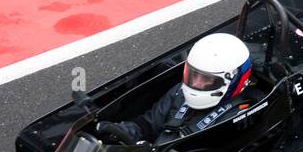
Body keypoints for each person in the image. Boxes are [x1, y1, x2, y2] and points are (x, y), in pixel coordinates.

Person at [99, 33, 252, 143]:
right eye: (193, 75)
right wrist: (120, 131)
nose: (196, 83)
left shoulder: (237, 118)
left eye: (206, 80)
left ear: (231, 81)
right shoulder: (179, 92)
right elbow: (147, 124)